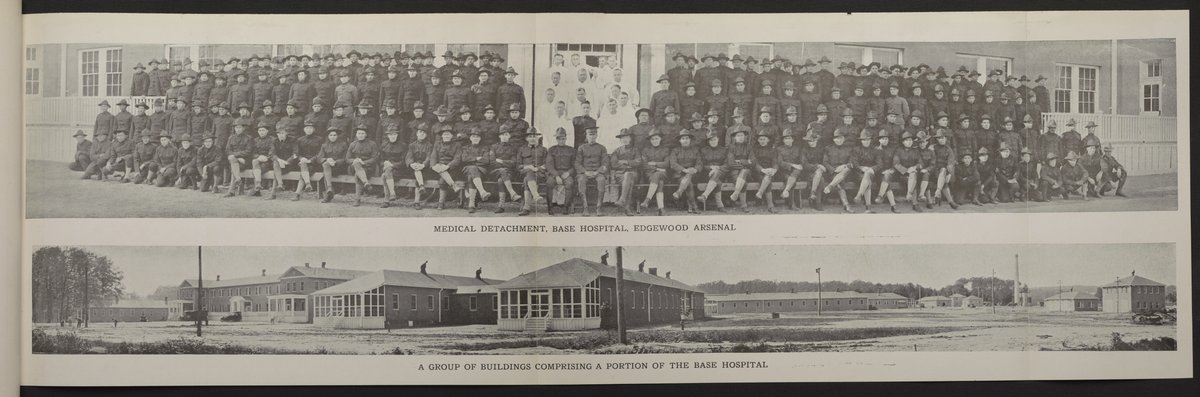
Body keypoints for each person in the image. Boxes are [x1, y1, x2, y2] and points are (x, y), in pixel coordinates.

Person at [575, 126, 609, 216]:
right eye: (590, 135)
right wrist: (585, 171)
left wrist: (597, 172)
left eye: (594, 135)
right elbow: (577, 163)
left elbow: (605, 163)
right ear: (586, 135)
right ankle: (585, 208)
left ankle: (599, 207)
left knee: (601, 180)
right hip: (584, 172)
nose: (592, 137)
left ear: (597, 135)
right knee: (581, 180)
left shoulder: (602, 148)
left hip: (598, 172)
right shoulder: (581, 148)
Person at [609, 129, 642, 216]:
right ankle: (627, 208)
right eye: (623, 138)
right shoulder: (617, 151)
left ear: (630, 138)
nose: (625, 139)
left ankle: (622, 199)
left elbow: (638, 161)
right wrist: (629, 165)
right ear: (620, 140)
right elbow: (613, 164)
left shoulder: (636, 150)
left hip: (634, 174)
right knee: (628, 179)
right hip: (620, 175)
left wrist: (625, 161)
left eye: (627, 137)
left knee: (629, 176)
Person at [820, 128, 855, 213]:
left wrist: (844, 166)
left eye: (840, 138)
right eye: (836, 138)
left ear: (844, 139)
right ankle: (846, 205)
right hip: (833, 172)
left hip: (848, 173)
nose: (838, 140)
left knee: (846, 170)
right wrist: (834, 170)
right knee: (839, 182)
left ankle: (830, 186)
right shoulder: (828, 148)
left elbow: (852, 162)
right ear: (833, 139)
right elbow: (825, 162)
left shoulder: (849, 149)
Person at [667, 130, 702, 214]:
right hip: (679, 174)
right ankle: (693, 205)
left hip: (694, 174)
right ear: (680, 140)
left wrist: (695, 169)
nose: (685, 140)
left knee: (688, 178)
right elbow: (673, 164)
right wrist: (684, 170)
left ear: (690, 140)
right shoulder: (675, 150)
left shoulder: (695, 150)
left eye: (687, 138)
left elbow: (699, 163)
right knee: (688, 182)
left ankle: (679, 192)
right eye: (683, 138)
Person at [638, 130, 671, 216]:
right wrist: (658, 168)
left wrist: (654, 164)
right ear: (650, 140)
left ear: (660, 139)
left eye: (656, 138)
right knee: (660, 182)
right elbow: (644, 164)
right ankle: (661, 209)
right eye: (652, 139)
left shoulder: (665, 150)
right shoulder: (645, 150)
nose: (655, 141)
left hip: (663, 174)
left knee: (658, 175)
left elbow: (667, 163)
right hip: (650, 174)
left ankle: (647, 200)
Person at [430, 126, 464, 210]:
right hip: (438, 169)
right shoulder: (437, 144)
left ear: (452, 136)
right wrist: (433, 166)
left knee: (442, 181)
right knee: (440, 171)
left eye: (448, 134)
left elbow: (457, 158)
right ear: (441, 136)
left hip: (452, 169)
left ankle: (441, 203)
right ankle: (454, 186)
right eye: (444, 134)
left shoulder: (457, 145)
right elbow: (433, 157)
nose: (446, 136)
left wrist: (447, 166)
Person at [345, 125, 379, 207]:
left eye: (362, 133)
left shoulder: (372, 144)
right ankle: (366, 183)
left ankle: (357, 199)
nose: (360, 135)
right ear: (356, 134)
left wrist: (363, 162)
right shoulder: (353, 144)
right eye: (359, 133)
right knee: (357, 164)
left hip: (368, 167)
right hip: (353, 167)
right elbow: (347, 159)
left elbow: (375, 158)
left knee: (358, 175)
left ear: (366, 134)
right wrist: (355, 160)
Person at [545, 128, 577, 215]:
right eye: (559, 138)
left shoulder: (571, 150)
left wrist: (569, 173)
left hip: (566, 173)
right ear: (556, 139)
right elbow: (549, 165)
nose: (561, 140)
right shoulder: (551, 150)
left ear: (566, 138)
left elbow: (575, 165)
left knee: (570, 183)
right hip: (554, 174)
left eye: (563, 138)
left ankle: (566, 207)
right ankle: (550, 207)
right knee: (549, 183)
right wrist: (556, 175)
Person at [516, 128, 547, 216]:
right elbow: (518, 165)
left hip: (539, 174)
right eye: (530, 136)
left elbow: (547, 164)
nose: (532, 138)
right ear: (526, 138)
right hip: (524, 172)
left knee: (527, 179)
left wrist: (538, 168)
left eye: (534, 136)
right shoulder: (522, 149)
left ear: (537, 137)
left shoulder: (543, 149)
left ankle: (526, 207)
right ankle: (535, 195)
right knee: (528, 173)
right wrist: (528, 166)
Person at [315, 127, 350, 203]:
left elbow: (346, 158)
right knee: (325, 165)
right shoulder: (324, 145)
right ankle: (329, 189)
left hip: (340, 168)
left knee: (325, 168)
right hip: (328, 167)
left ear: (337, 136)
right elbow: (319, 158)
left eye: (334, 135)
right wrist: (327, 159)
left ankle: (329, 192)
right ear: (328, 136)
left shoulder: (343, 145)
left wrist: (335, 162)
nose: (332, 137)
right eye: (331, 135)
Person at [377, 126, 408, 208]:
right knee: (386, 172)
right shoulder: (384, 145)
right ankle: (392, 193)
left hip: (399, 170)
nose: (392, 136)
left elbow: (404, 161)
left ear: (397, 135)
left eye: (394, 134)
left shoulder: (403, 146)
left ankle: (386, 200)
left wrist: (392, 165)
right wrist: (384, 164)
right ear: (387, 136)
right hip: (386, 169)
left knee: (384, 175)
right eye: (390, 135)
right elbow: (379, 160)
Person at [405, 124, 435, 209]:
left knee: (419, 173)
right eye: (420, 132)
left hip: (425, 169)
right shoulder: (412, 145)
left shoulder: (429, 146)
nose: (422, 134)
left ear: (426, 135)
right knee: (417, 172)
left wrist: (423, 165)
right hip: (414, 169)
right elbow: (408, 157)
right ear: (417, 133)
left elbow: (429, 157)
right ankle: (421, 187)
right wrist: (412, 164)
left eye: (424, 133)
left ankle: (416, 202)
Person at [725, 128, 754, 212]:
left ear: (745, 137)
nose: (740, 137)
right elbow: (730, 163)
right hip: (734, 172)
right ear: (734, 137)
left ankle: (736, 193)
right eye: (738, 136)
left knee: (745, 172)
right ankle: (744, 206)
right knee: (743, 182)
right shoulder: (731, 147)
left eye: (742, 135)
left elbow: (753, 161)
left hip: (748, 172)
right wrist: (745, 163)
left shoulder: (748, 147)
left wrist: (740, 161)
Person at [267, 124, 299, 200]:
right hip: (279, 164)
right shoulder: (275, 141)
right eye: (279, 133)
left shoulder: (293, 140)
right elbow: (272, 154)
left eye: (282, 133)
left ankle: (273, 193)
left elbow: (296, 153)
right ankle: (280, 184)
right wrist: (279, 160)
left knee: (276, 171)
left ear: (286, 133)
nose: (280, 135)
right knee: (275, 164)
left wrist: (286, 162)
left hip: (291, 165)